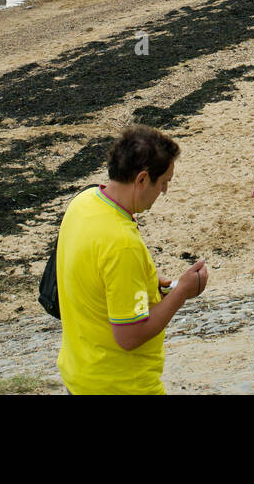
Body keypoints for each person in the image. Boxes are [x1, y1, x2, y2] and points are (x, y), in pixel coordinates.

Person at [55, 125, 208, 394]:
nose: (165, 191)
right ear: (141, 180)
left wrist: (145, 284)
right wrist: (182, 291)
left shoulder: (83, 202)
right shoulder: (121, 243)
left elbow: (95, 278)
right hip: (121, 385)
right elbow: (129, 336)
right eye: (164, 182)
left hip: (79, 377)